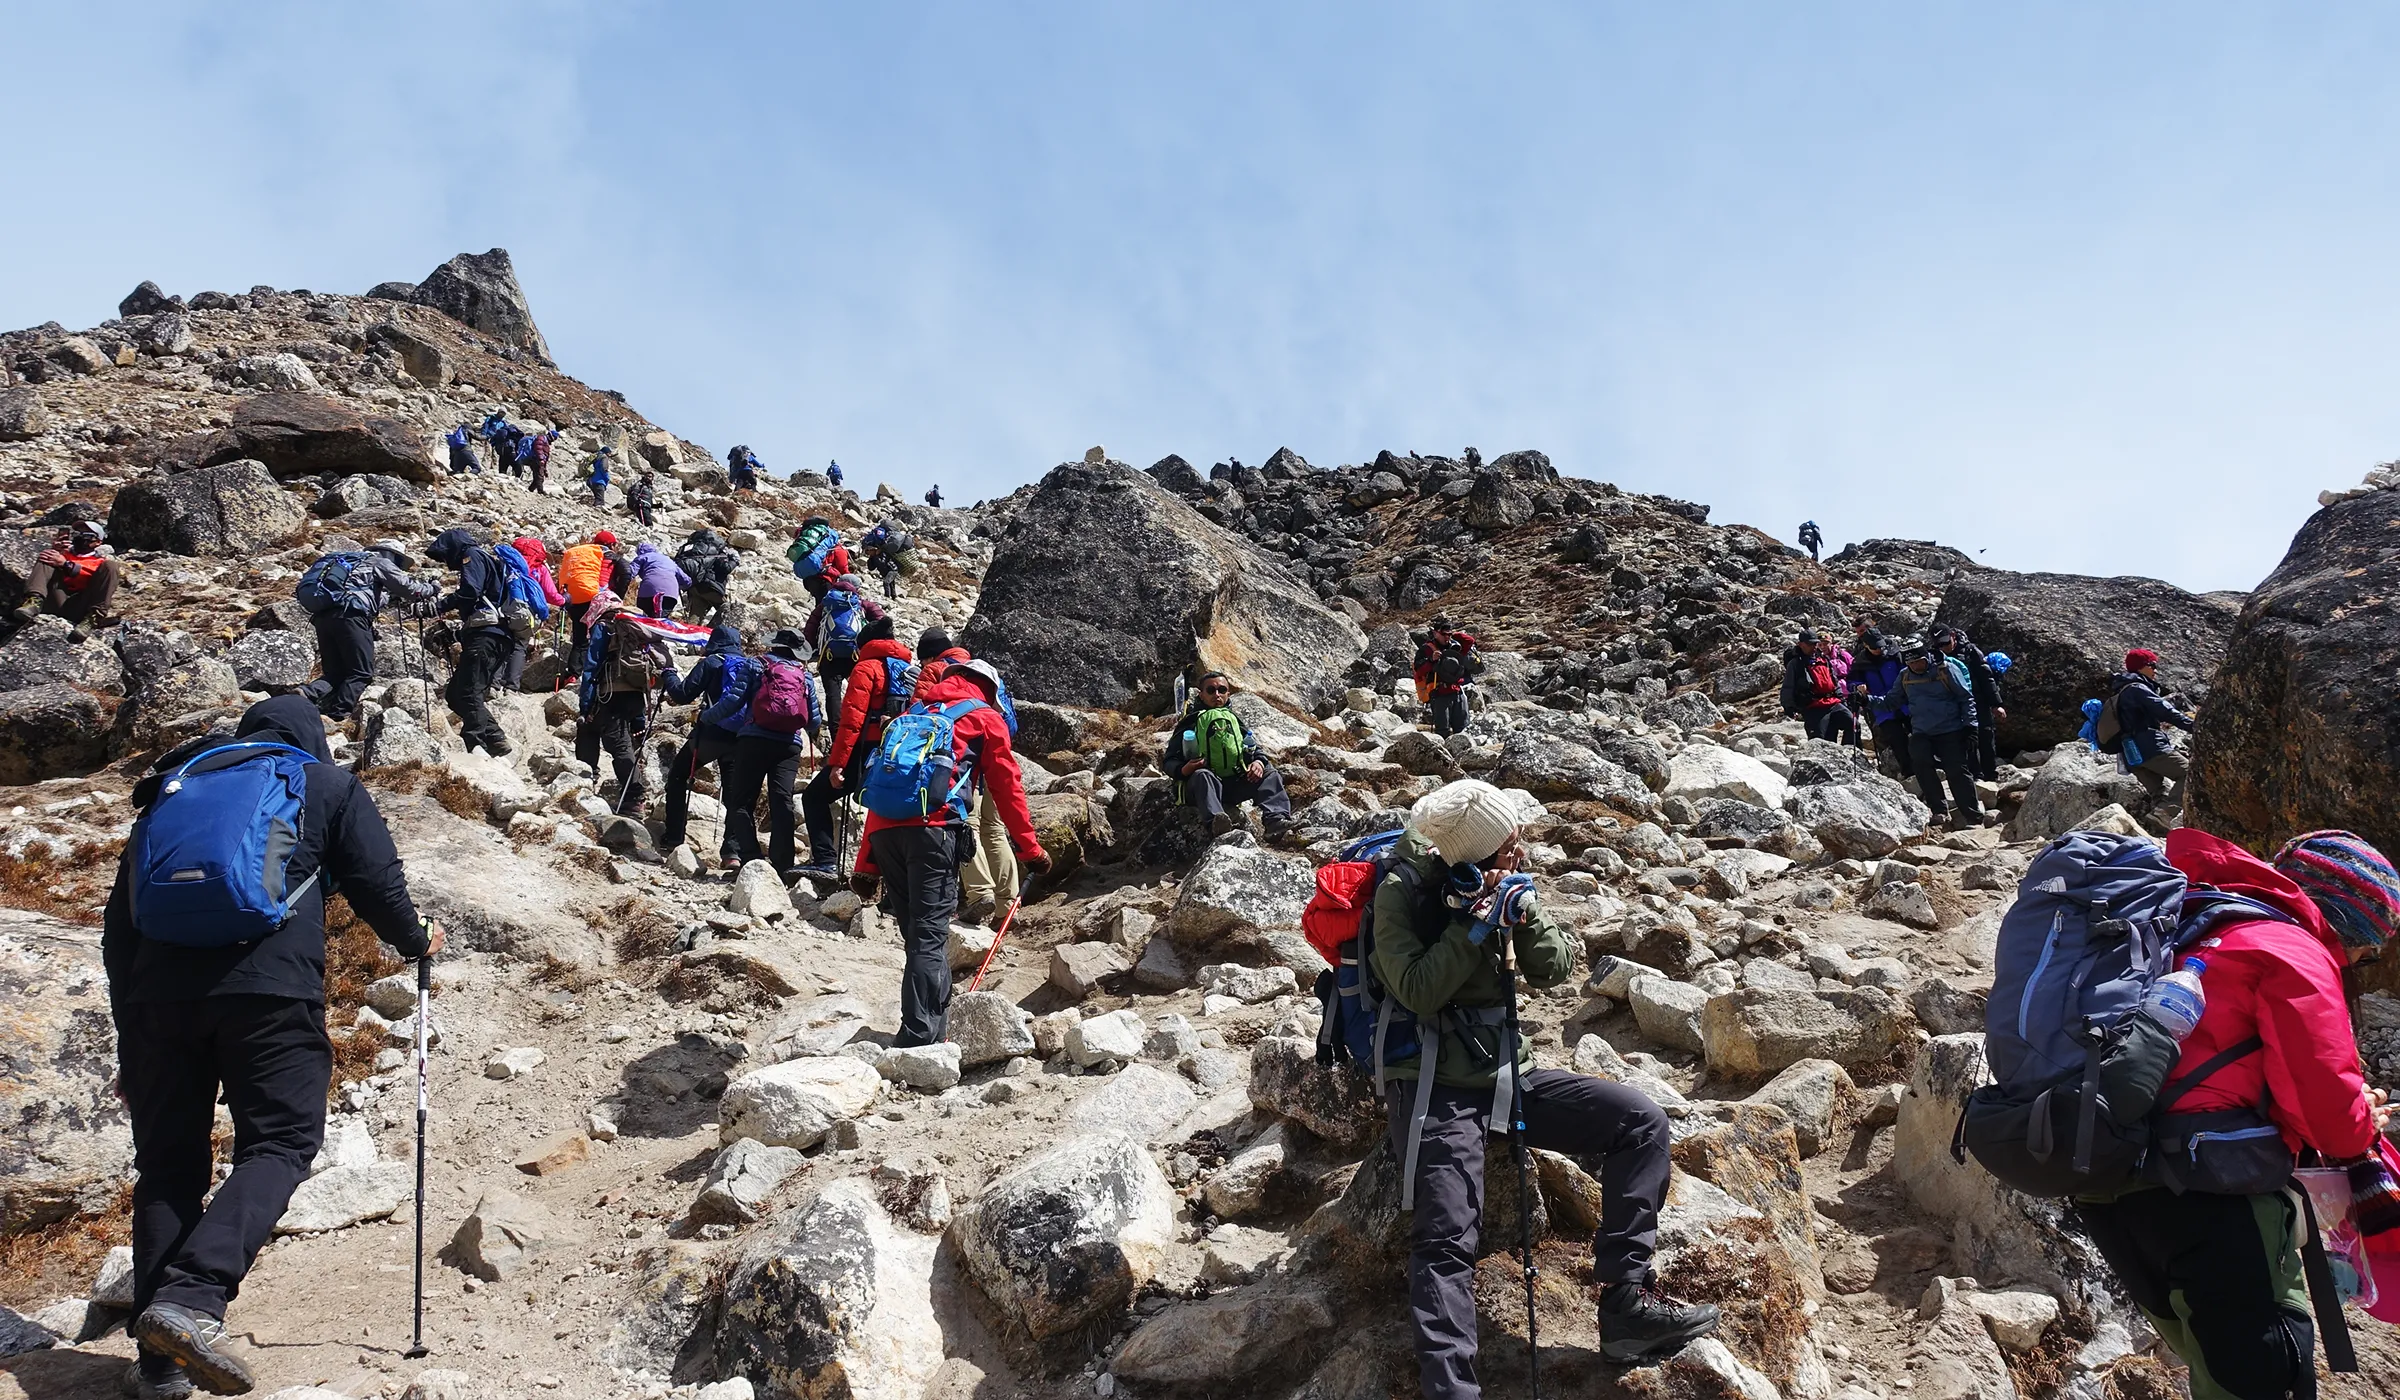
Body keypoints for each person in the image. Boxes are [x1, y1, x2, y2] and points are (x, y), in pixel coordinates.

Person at [105, 696, 445, 1400]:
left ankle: (159, 1366)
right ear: (309, 742)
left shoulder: (173, 792)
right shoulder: (323, 784)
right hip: (268, 992)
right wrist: (417, 942)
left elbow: (120, 931)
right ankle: (192, 1299)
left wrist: (127, 1039)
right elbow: (377, 881)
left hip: (155, 1003)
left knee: (169, 1166)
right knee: (283, 1141)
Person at [1372, 779, 1719, 1393]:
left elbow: (1556, 968)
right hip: (1433, 1084)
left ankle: (1625, 1306)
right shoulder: (1401, 891)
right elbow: (1418, 990)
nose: (1523, 851)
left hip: (1510, 1072)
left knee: (1641, 1122)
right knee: (1446, 1234)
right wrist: (1473, 929)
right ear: (1474, 854)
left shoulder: (1506, 879)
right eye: (1511, 844)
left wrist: (1522, 912)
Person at [2076, 828, 2400, 1400]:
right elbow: (2324, 1106)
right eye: (2365, 949)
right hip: (2211, 1197)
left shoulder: (2184, 922)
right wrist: (2362, 1121)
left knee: (2210, 1364)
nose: (2356, 962)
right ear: (2344, 921)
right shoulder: (2287, 948)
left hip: (2106, 1178)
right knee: (2265, 1382)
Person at [850, 658, 1048, 1045]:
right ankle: (919, 1035)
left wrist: (866, 866)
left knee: (918, 935)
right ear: (989, 688)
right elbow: (1008, 789)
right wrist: (1030, 850)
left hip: (887, 835)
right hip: (935, 832)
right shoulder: (984, 718)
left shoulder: (913, 715)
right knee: (929, 934)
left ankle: (934, 1021)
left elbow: (882, 790)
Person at [913, 631, 1026, 925]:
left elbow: (917, 718)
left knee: (966, 823)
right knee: (995, 829)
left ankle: (980, 893)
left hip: (964, 764)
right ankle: (1008, 904)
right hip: (996, 748)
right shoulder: (986, 673)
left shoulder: (935, 671)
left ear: (930, 655)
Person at [797, 618, 914, 880]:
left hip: (864, 750)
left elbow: (852, 721)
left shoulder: (866, 668)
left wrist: (837, 764)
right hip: (897, 752)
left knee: (814, 797)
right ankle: (885, 876)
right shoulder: (907, 669)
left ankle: (825, 860)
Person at [297, 542, 436, 724]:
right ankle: (339, 715)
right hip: (351, 617)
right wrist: (432, 589)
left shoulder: (351, 563)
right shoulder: (379, 562)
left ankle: (307, 693)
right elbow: (410, 589)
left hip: (323, 618)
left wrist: (387, 597)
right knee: (361, 672)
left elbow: (363, 595)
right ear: (392, 555)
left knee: (335, 672)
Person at [718, 629, 820, 872]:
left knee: (742, 800)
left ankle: (752, 858)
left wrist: (708, 717)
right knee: (781, 800)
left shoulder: (757, 665)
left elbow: (733, 701)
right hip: (789, 745)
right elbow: (814, 720)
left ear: (773, 645)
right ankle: (782, 864)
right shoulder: (803, 675)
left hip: (754, 739)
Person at [658, 624, 751, 869]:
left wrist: (668, 674)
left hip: (710, 735)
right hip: (741, 738)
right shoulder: (751, 666)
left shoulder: (711, 662)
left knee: (678, 776)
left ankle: (674, 837)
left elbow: (681, 695)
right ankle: (732, 853)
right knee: (734, 795)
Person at [1163, 672, 1295, 837]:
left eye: (1221, 690)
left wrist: (1258, 763)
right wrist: (1185, 770)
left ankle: (1275, 821)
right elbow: (1168, 761)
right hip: (1201, 787)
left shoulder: (1234, 720)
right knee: (1203, 775)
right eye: (1210, 690)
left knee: (1269, 773)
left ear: (1228, 694)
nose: (1216, 694)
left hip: (1233, 784)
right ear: (1201, 695)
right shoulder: (1190, 722)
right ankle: (1216, 823)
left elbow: (1254, 748)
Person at [576, 589, 670, 813]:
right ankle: (629, 796)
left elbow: (592, 666)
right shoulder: (634, 626)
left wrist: (585, 705)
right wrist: (639, 720)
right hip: (636, 694)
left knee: (595, 733)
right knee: (621, 741)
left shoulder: (604, 626)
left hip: (610, 693)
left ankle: (590, 783)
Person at [425, 527, 515, 756]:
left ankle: (476, 744)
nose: (446, 563)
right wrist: (457, 635)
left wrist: (440, 605)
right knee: (455, 694)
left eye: (445, 556)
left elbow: (470, 592)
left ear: (454, 548)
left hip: (487, 636)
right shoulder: (483, 559)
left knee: (468, 692)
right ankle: (495, 738)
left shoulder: (472, 556)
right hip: (493, 636)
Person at [1896, 636, 1982, 827]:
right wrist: (1866, 700)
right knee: (1921, 765)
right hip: (1921, 731)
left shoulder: (1946, 669)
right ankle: (1939, 810)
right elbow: (1892, 700)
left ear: (1925, 656)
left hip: (1950, 729)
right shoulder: (1904, 676)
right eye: (1911, 662)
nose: (1916, 666)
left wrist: (1971, 727)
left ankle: (1973, 816)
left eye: (1918, 661)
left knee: (1957, 771)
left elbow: (1965, 698)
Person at [2110, 648, 2197, 811]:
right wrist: (2196, 727)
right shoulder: (2138, 689)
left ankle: (2157, 823)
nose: (2155, 670)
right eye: (2152, 665)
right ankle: (2165, 814)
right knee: (2189, 774)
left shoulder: (2120, 691)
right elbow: (2166, 712)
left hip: (2130, 755)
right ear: (2141, 667)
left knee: (2160, 791)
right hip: (2150, 747)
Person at [8, 520, 119, 636]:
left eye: (87, 535)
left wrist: (66, 565)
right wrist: (56, 551)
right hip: (56, 599)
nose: (81, 537)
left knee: (112, 566)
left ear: (98, 542)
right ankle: (34, 602)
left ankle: (93, 618)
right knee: (48, 556)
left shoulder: (100, 562)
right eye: (77, 534)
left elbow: (86, 575)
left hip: (81, 605)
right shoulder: (62, 555)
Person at [803, 571, 884, 720]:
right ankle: (857, 727)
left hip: (829, 655)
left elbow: (811, 627)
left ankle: (835, 732)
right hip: (857, 656)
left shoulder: (826, 604)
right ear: (857, 589)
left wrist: (810, 649)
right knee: (860, 692)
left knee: (833, 696)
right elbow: (882, 622)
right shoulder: (862, 604)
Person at [1934, 627, 2005, 781]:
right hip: (1956, 705)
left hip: (1979, 701)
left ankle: (1991, 775)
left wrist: (1995, 704)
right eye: (1938, 645)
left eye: (1945, 642)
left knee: (1986, 737)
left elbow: (1987, 679)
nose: (1943, 647)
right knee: (1967, 739)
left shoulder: (1971, 652)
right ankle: (1975, 775)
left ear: (1953, 636)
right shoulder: (1935, 656)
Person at [1849, 630, 1913, 780]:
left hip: (1905, 702)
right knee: (1897, 740)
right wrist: (1858, 686)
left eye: (1880, 646)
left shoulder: (1895, 654)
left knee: (1918, 733)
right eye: (1875, 647)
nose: (1879, 649)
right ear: (1866, 645)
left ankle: (1932, 766)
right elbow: (1851, 682)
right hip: (1881, 707)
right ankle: (1909, 772)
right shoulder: (1860, 663)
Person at [1780, 628, 1857, 746]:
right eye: (1810, 644)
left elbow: (1833, 680)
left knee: (1853, 724)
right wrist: (1789, 707)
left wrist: (1842, 700)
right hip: (1813, 707)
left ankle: (1849, 755)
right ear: (1800, 644)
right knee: (1820, 741)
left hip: (1833, 702)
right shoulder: (1795, 664)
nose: (1814, 646)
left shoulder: (1823, 659)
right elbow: (1788, 686)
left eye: (1815, 643)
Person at [556, 531, 615, 679]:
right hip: (591, 597)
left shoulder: (585, 556)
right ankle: (586, 673)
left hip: (571, 598)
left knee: (579, 637)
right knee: (595, 636)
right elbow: (625, 570)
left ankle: (573, 673)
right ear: (610, 545)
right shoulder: (605, 556)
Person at [1415, 617, 1482, 738]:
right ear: (1435, 633)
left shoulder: (1455, 646)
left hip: (1457, 692)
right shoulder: (1426, 649)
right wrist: (1431, 660)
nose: (1447, 637)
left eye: (1449, 634)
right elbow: (1418, 670)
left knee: (1463, 729)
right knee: (1442, 730)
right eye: (1444, 634)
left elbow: (1469, 641)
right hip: (1439, 694)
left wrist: (1454, 634)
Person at [674, 529, 739, 622]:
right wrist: (734, 560)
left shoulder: (693, 549)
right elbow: (725, 568)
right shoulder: (717, 551)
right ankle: (714, 632)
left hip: (694, 587)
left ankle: (691, 634)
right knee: (727, 613)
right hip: (711, 588)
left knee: (695, 617)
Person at [630, 540, 690, 619]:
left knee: (645, 617)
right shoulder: (669, 560)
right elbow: (687, 580)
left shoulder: (642, 557)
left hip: (649, 589)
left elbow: (630, 572)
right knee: (661, 619)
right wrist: (680, 587)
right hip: (670, 592)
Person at [859, 520, 915, 601]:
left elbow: (883, 562)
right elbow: (871, 568)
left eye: (869, 551)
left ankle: (887, 597)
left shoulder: (883, 553)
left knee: (886, 582)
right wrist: (871, 559)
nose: (868, 553)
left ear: (873, 550)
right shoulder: (873, 558)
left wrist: (878, 554)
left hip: (892, 570)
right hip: (887, 572)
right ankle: (894, 596)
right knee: (891, 583)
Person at [525, 428, 556, 494]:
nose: (554, 440)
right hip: (536, 459)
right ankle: (540, 491)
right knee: (539, 476)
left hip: (539, 460)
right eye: (555, 437)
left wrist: (545, 470)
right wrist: (541, 458)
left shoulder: (545, 441)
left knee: (537, 477)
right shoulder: (541, 438)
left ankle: (530, 489)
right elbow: (538, 448)